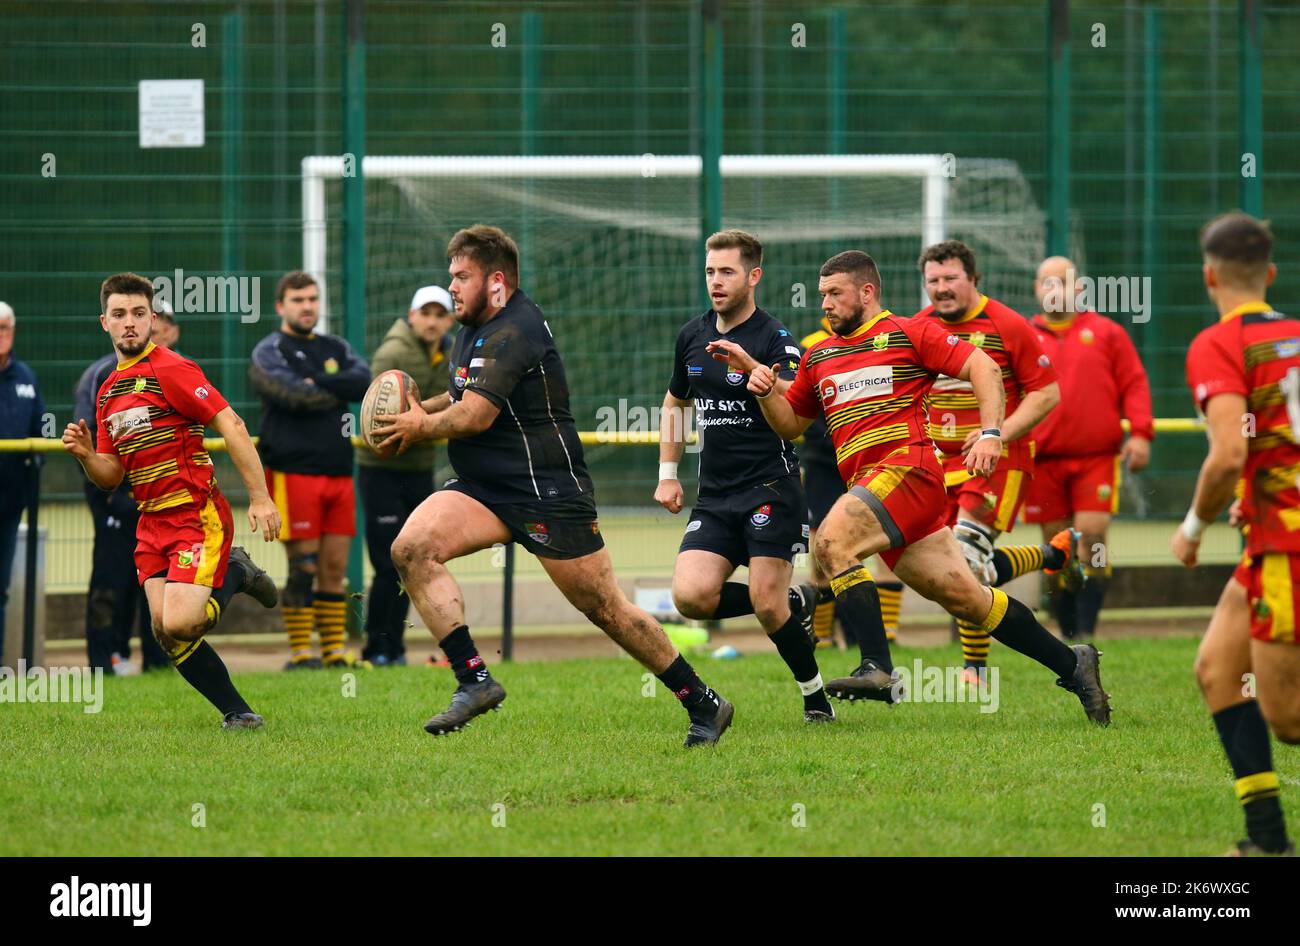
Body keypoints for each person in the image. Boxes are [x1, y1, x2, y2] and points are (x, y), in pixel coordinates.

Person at [374, 225, 734, 747]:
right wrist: (417, 411)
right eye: (450, 275)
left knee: (605, 609)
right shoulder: (471, 325)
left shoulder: (514, 330)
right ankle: (474, 679)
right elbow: (459, 396)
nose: (451, 286)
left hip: (547, 491)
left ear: (496, 281)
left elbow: (474, 415)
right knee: (410, 549)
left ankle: (703, 702)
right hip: (482, 487)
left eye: (461, 276)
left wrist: (418, 427)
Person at [719, 250, 1110, 723]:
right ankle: (1075, 664)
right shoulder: (819, 356)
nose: (825, 305)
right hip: (879, 489)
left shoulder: (909, 332)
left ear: (867, 292)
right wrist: (762, 390)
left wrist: (990, 433)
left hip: (911, 472)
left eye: (835, 294)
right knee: (968, 597)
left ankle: (877, 667)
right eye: (822, 295)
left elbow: (983, 368)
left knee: (830, 541)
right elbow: (790, 424)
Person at [61, 273, 281, 729]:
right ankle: (238, 714)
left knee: (181, 622)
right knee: (166, 632)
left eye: (139, 314)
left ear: (152, 318)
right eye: (119, 314)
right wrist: (86, 456)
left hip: (194, 516)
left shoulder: (171, 368)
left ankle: (237, 571)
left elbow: (232, 424)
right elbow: (111, 475)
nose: (129, 324)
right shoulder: (106, 391)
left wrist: (260, 498)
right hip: (151, 523)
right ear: (104, 322)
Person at [655, 229, 831, 723]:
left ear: (753, 276)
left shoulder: (775, 340)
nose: (716, 281)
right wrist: (668, 472)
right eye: (710, 271)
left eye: (727, 271)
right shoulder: (692, 335)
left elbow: (795, 414)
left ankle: (815, 697)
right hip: (715, 496)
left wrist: (764, 380)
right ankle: (795, 600)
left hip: (771, 489)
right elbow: (675, 400)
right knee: (690, 597)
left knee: (765, 603)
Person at [1171, 212, 1300, 856]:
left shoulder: (1220, 342)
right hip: (1268, 539)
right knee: (1219, 671)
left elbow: (1226, 456)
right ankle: (1267, 841)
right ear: (1271, 274)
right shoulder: (1296, 335)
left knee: (1288, 718)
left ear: (1208, 275)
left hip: (1288, 546)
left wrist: (1192, 527)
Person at [912, 240, 1068, 679]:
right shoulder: (918, 327)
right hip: (938, 467)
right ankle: (1046, 555)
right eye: (934, 281)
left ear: (974, 280)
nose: (942, 289)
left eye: (951, 279)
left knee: (963, 560)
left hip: (1000, 461)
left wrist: (995, 434)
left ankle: (974, 668)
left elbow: (1047, 393)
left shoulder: (1007, 324)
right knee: (951, 570)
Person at [1025, 256, 1154, 638]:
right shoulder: (1024, 336)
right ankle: (1066, 634)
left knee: (1092, 536)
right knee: (1057, 548)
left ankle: (1087, 631)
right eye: (1047, 283)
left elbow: (1134, 383)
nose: (1055, 290)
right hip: (1043, 461)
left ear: (1080, 289)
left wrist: (1142, 433)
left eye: (1062, 282)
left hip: (1096, 458)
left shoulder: (1107, 333)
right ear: (1036, 289)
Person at [250, 272, 372, 669]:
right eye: (298, 299)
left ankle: (334, 654)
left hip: (338, 472)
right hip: (292, 472)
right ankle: (301, 655)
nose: (307, 306)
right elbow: (290, 394)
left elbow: (364, 381)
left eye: (313, 299)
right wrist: (333, 387)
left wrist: (318, 380)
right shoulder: (270, 349)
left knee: (333, 568)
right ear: (280, 306)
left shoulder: (334, 346)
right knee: (303, 566)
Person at [72, 301, 180, 673]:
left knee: (155, 578)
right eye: (123, 316)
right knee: (110, 578)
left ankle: (158, 658)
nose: (153, 327)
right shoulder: (103, 375)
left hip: (159, 500)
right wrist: (114, 496)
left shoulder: (177, 372)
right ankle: (103, 661)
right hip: (114, 496)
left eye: (159, 321)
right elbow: (91, 444)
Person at [357, 285, 456, 665]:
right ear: (411, 316)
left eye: (439, 314)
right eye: (425, 313)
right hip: (381, 472)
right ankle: (378, 649)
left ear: (448, 319)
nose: (432, 321)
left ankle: (394, 648)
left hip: (418, 471)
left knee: (412, 561)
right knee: (388, 564)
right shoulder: (393, 354)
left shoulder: (450, 354)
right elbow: (378, 420)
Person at [0, 301, 45, 646]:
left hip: (10, 500)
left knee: (1, 586)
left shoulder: (26, 378)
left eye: (5, 327)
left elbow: (42, 427)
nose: (1, 334)